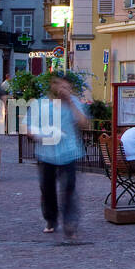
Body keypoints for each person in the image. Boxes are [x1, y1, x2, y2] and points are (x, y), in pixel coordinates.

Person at [27, 73, 89, 239]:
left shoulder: (74, 103)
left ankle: (69, 223)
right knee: (47, 189)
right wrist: (37, 134)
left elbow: (84, 123)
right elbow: (28, 126)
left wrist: (70, 103)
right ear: (52, 86)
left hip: (68, 152)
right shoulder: (40, 104)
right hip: (46, 152)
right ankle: (51, 219)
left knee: (69, 188)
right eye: (58, 85)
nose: (62, 89)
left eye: (65, 86)